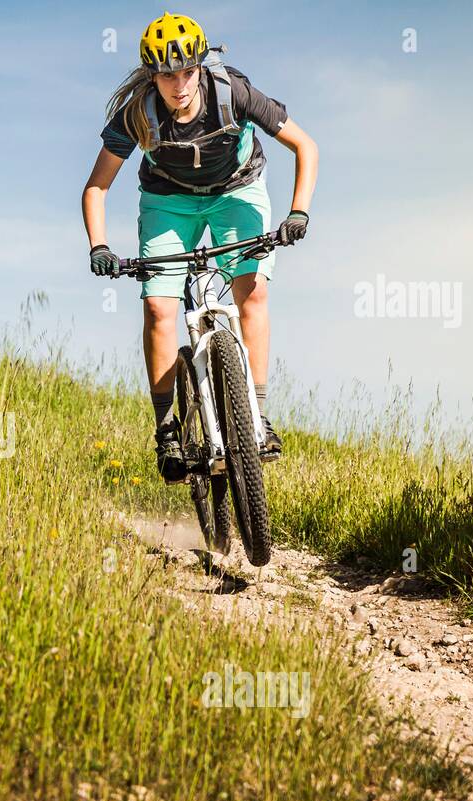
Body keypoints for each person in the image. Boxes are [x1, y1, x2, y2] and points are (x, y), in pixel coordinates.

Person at [82, 12, 318, 478]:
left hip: (236, 189)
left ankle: (258, 416)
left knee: (252, 292)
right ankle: (167, 429)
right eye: (168, 74)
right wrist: (99, 246)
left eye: (188, 71)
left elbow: (305, 146)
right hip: (169, 200)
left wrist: (298, 212)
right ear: (153, 75)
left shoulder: (232, 93)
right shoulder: (138, 114)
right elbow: (96, 187)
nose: (179, 84)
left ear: (201, 65)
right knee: (159, 309)